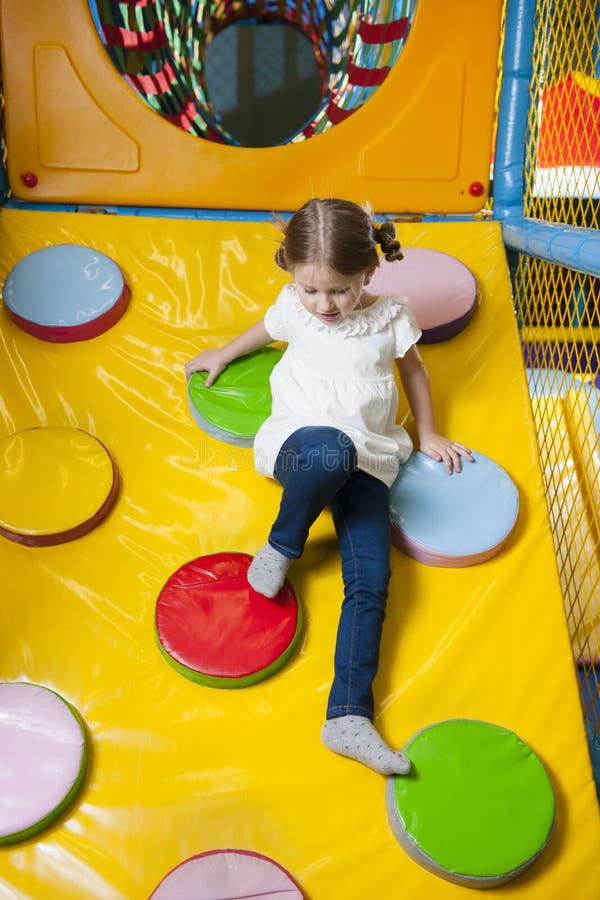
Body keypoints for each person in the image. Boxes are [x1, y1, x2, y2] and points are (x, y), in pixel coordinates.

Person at [185, 198, 472, 776]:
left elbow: (413, 370)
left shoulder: (390, 316)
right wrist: (224, 353)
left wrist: (432, 431)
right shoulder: (297, 306)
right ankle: (283, 544)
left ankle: (347, 714)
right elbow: (264, 329)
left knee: (372, 579)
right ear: (293, 278)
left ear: (368, 272)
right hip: (304, 447)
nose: (324, 305)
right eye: (311, 291)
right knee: (330, 448)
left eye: (338, 291)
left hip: (369, 456)